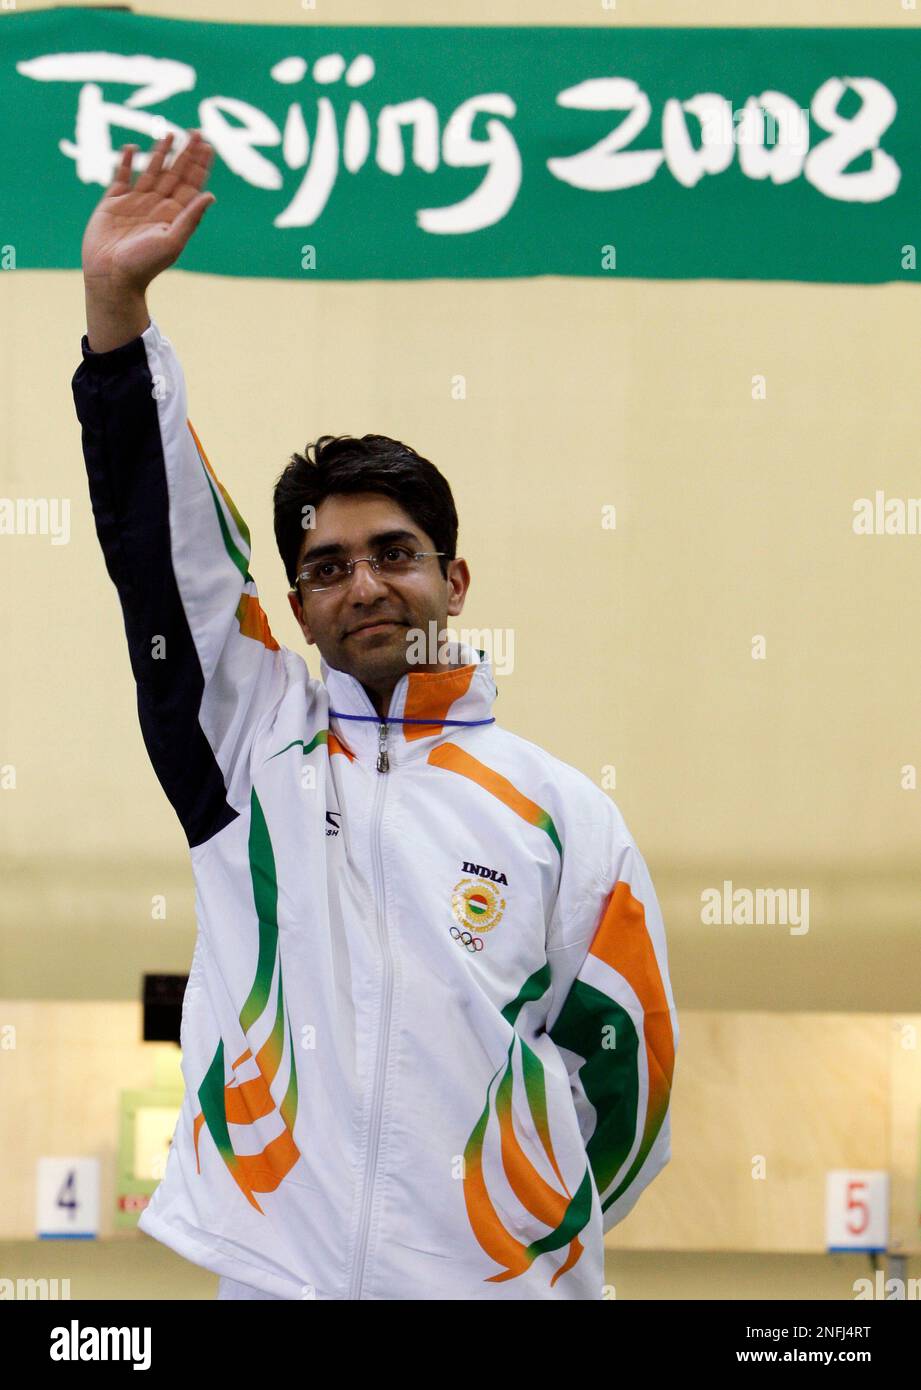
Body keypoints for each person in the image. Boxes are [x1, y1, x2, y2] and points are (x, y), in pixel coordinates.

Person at [72, 128, 679, 1301]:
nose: (365, 582)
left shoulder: (565, 817)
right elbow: (170, 559)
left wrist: (513, 1239)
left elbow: (631, 1078)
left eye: (396, 552)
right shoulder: (253, 748)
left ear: (455, 580)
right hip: (273, 1279)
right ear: (296, 607)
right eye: (331, 563)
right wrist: (115, 319)